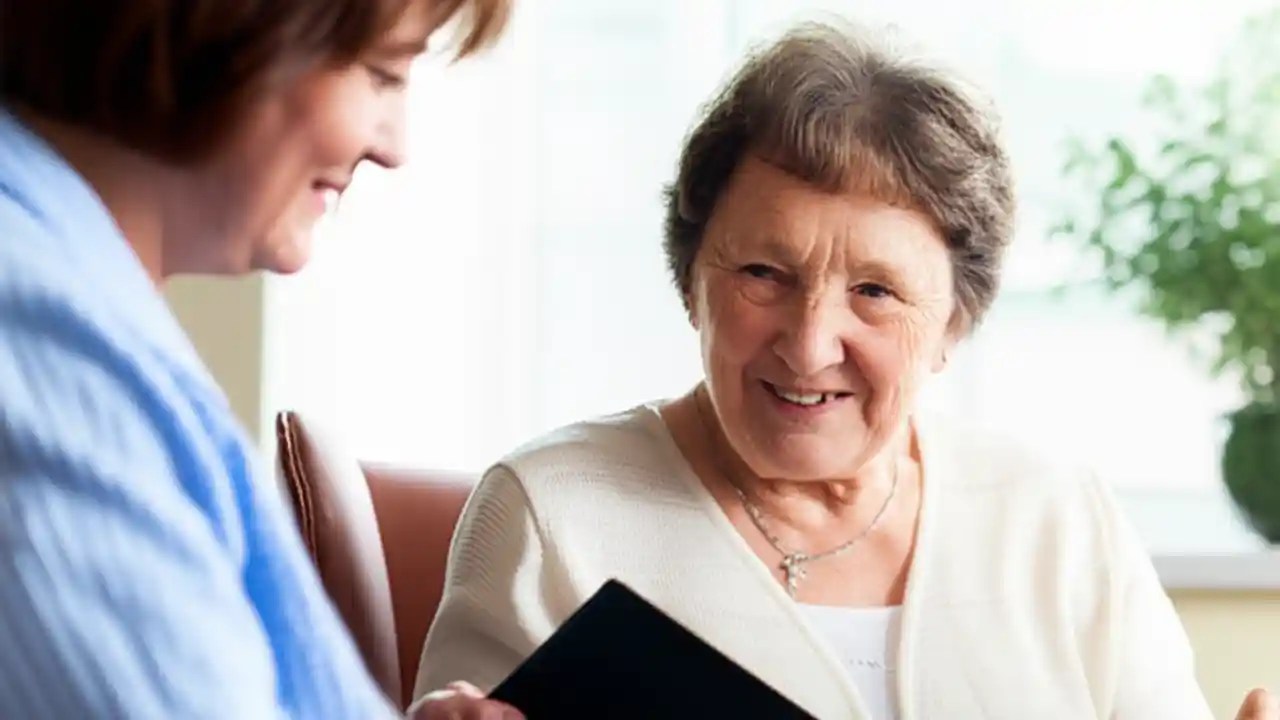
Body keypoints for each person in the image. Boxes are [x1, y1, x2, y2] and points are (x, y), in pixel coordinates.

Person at [413, 20, 1277, 720]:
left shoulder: (1057, 518)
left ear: (954, 322)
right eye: (762, 274)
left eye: (874, 291)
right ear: (692, 282)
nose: (809, 342)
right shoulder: (552, 511)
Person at [0, 1, 517, 718]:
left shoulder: (89, 322)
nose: (395, 146)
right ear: (234, 24)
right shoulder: (41, 348)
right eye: (381, 72)